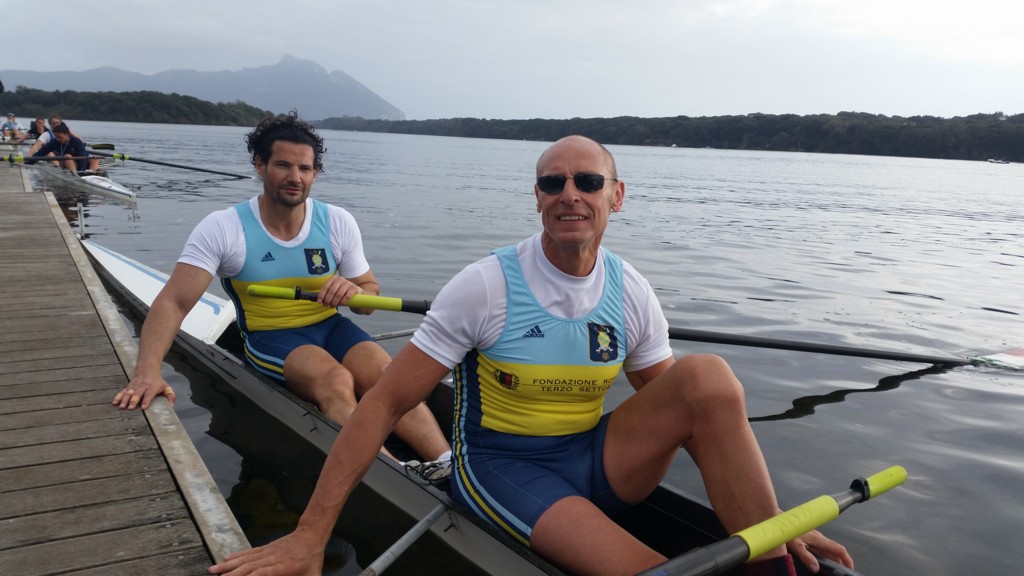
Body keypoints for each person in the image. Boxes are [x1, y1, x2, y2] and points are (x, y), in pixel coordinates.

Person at [209, 135, 854, 576]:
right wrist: (309, 537)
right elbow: (381, 406)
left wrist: (774, 520)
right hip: (505, 468)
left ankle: (777, 559)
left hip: (597, 462)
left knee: (708, 376)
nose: (569, 193)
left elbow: (691, 410)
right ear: (538, 197)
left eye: (588, 181)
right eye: (552, 182)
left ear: (616, 196)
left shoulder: (630, 288)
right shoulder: (485, 285)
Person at [111, 111, 451, 465]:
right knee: (336, 381)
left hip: (333, 327)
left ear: (315, 173)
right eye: (283, 165)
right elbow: (174, 303)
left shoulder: (337, 221)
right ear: (260, 165)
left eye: (305, 169)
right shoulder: (225, 227)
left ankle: (445, 465)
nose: (295, 177)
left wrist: (355, 292)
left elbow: (368, 298)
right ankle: (395, 474)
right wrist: (147, 373)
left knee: (387, 376)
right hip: (270, 334)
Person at [26, 123, 101, 173]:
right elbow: (41, 153)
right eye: (56, 137)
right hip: (65, 163)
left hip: (79, 164)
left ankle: (92, 175)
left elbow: (83, 156)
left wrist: (82, 170)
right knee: (67, 156)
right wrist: (28, 163)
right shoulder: (54, 142)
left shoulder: (76, 141)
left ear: (67, 134)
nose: (58, 139)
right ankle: (77, 177)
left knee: (95, 158)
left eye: (60, 137)